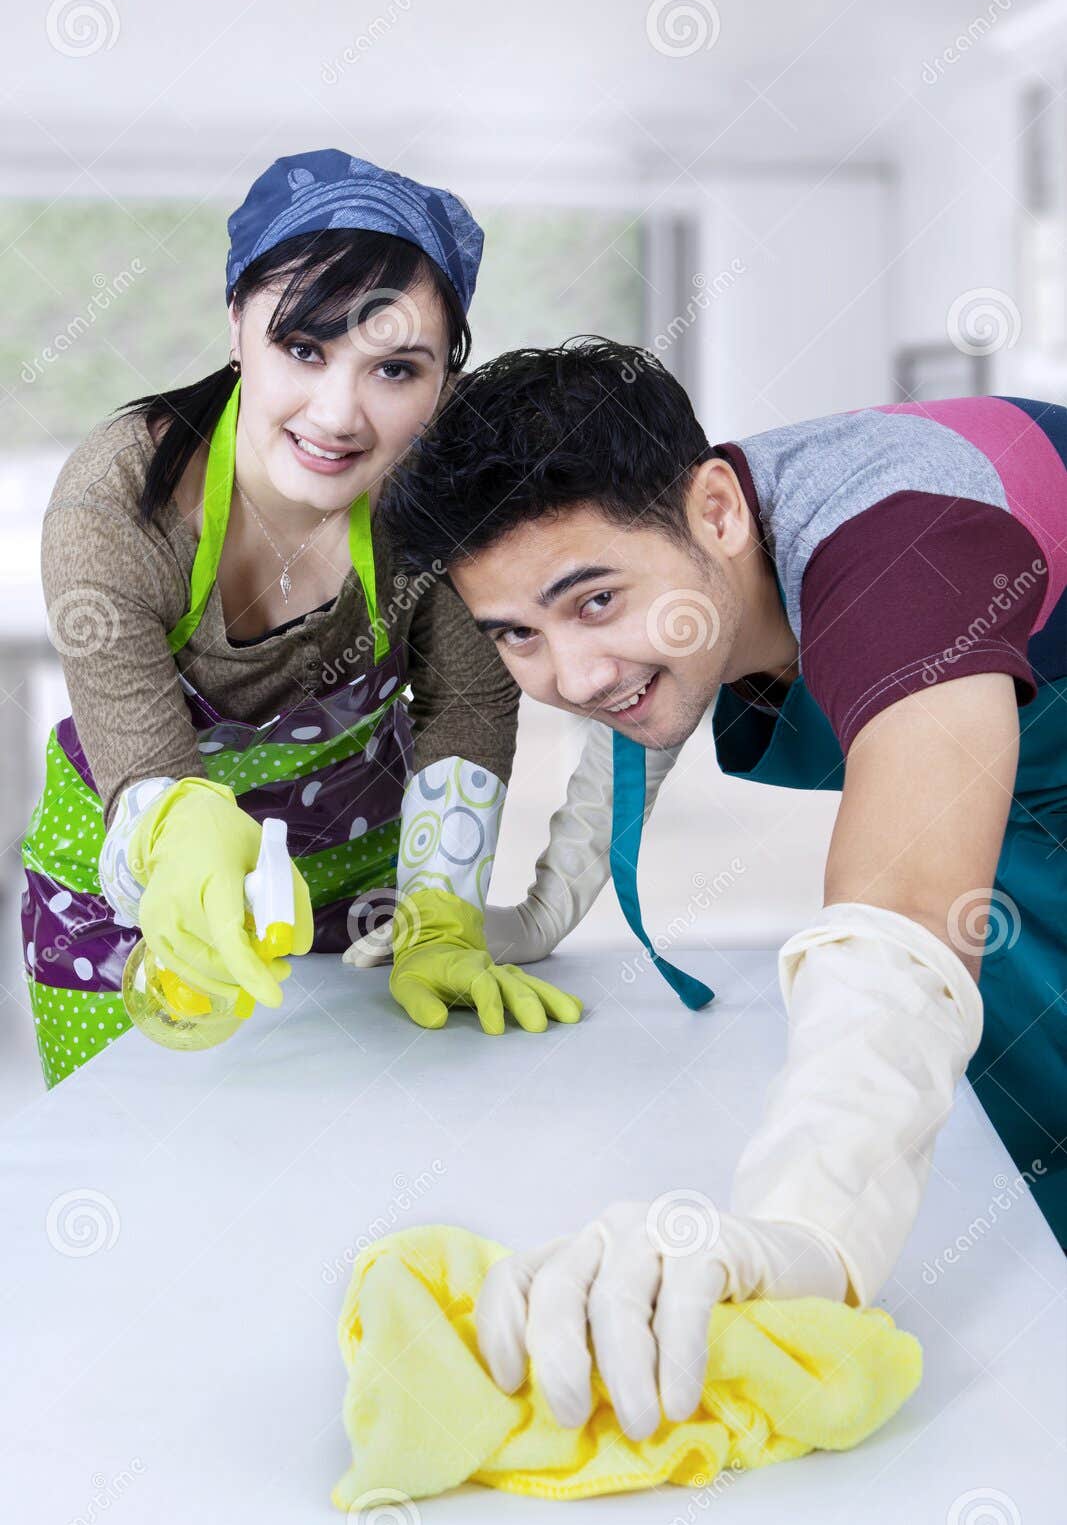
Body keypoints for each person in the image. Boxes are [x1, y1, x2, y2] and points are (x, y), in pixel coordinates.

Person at [382, 337, 1066, 1440]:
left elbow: (898, 912)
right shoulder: (695, 536)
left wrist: (798, 1231)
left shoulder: (903, 556)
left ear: (713, 511)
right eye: (517, 634)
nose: (570, 675)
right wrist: (526, 916)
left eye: (592, 602)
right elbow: (636, 709)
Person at [21, 149, 579, 1089]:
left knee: (331, 1180)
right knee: (137, 1177)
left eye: (395, 368)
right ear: (236, 323)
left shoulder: (439, 511)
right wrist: (177, 834)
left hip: (357, 901)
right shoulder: (113, 502)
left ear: (445, 379)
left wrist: (439, 914)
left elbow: (467, 708)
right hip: (125, 904)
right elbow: (142, 754)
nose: (337, 414)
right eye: (304, 348)